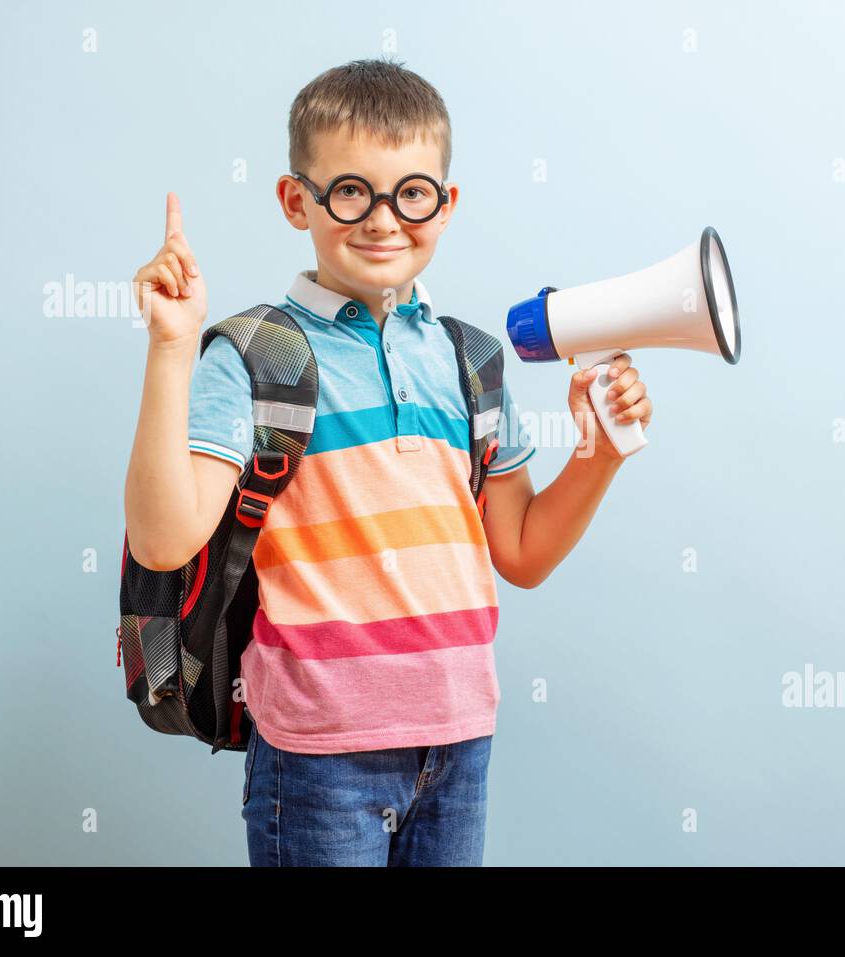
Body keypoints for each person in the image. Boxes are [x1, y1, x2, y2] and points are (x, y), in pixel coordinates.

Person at [123, 57, 653, 866]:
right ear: (295, 199)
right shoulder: (259, 354)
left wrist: (600, 454)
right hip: (317, 752)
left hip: (461, 739)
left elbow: (523, 552)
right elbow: (164, 541)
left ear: (446, 204)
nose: (382, 221)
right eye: (349, 192)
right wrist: (170, 346)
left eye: (411, 194)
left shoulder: (470, 358)